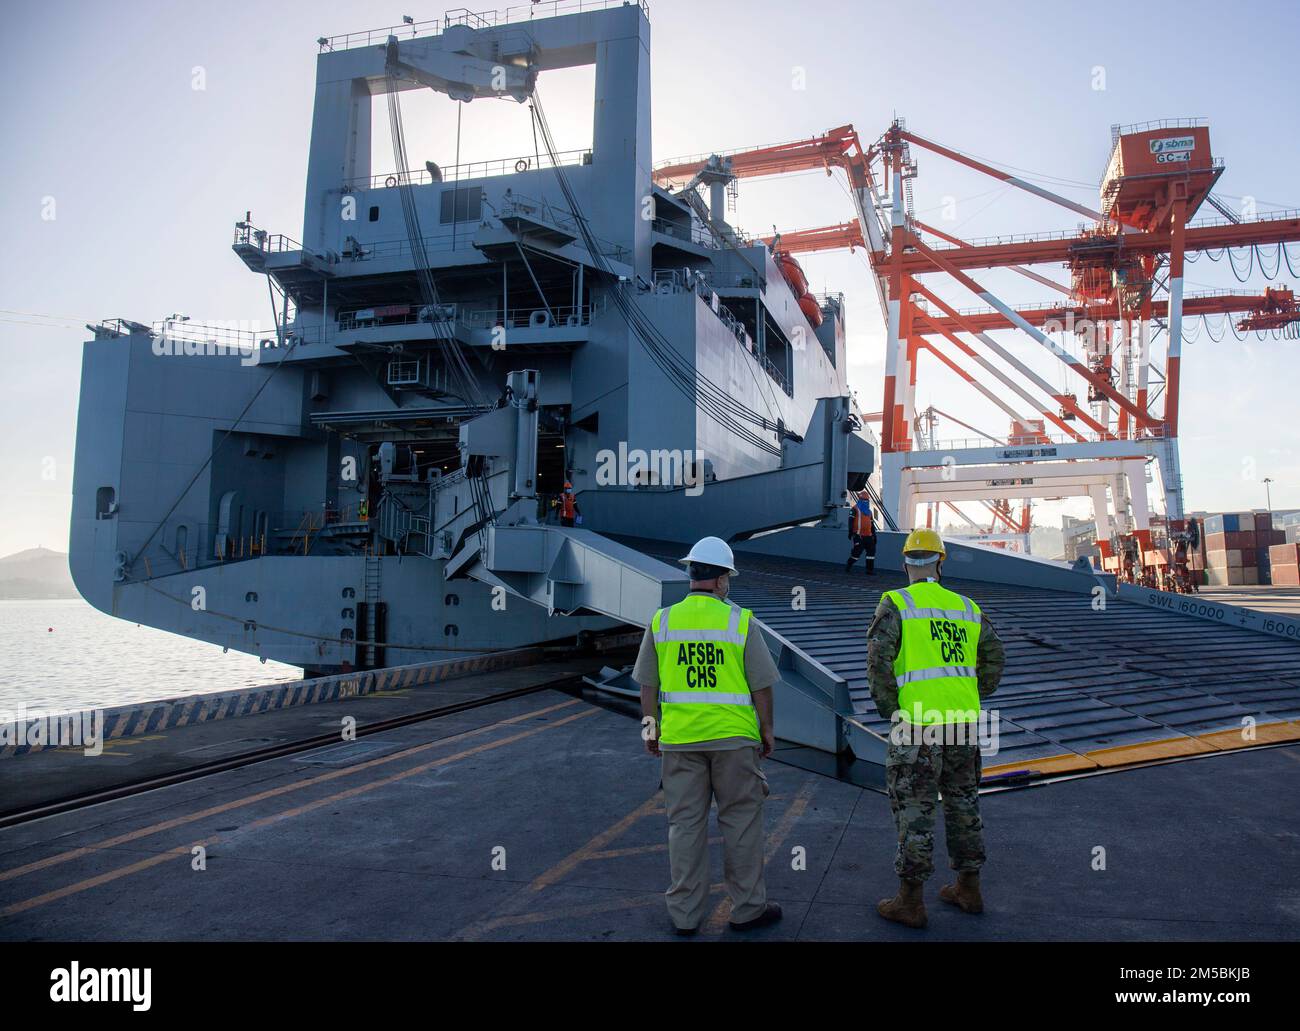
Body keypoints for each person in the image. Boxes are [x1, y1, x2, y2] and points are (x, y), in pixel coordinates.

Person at [632, 536, 783, 936]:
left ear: (691, 574)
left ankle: (684, 914)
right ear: (719, 581)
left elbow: (648, 683)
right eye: (728, 577)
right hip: (734, 741)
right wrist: (766, 731)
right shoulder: (740, 621)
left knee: (684, 826)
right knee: (741, 822)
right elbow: (761, 686)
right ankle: (748, 908)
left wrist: (652, 727)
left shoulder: (662, 620)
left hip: (680, 742)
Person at [866, 527, 1006, 929]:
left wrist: (891, 710)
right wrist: (972, 691)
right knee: (964, 805)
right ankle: (969, 887)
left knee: (916, 811)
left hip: (917, 727)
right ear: (940, 563)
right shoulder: (966, 607)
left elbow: (878, 663)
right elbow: (995, 656)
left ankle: (910, 901)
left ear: (905, 563)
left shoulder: (896, 603)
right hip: (962, 725)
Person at [845, 496, 876, 575]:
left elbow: (871, 524)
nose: (866, 501)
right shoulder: (854, 509)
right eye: (864, 500)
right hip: (858, 535)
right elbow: (850, 521)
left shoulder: (869, 512)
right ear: (860, 500)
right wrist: (850, 532)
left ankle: (869, 570)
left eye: (867, 500)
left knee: (871, 553)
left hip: (868, 536)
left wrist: (874, 535)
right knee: (857, 553)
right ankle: (849, 564)